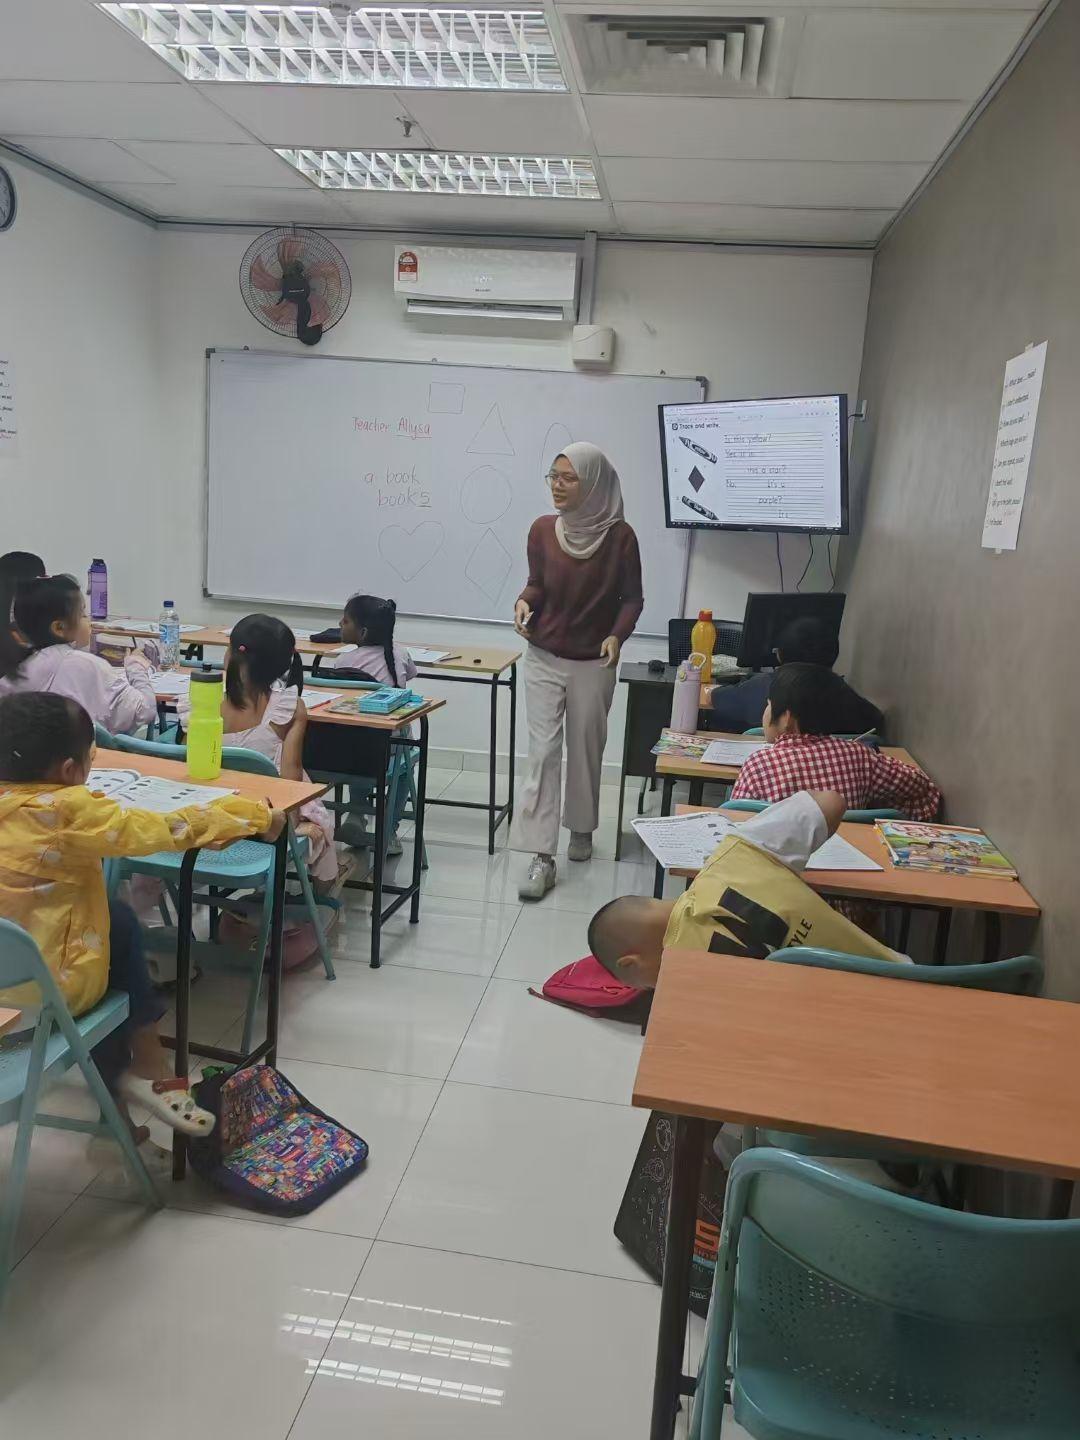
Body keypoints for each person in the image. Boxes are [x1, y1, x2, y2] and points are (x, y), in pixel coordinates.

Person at [0, 692, 285, 1133]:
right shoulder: (66, 812)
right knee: (116, 941)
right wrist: (256, 815)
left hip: (8, 985)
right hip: (40, 998)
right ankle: (144, 1077)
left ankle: (121, 1118)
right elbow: (169, 828)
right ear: (70, 771)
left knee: (113, 922)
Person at [588, 790, 906, 990]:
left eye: (644, 987)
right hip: (908, 983)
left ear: (630, 963)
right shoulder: (736, 855)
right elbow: (831, 802)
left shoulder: (684, 988)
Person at [513, 443, 643, 900]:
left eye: (568, 478)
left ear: (594, 485)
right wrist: (524, 601)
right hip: (543, 656)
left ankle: (582, 827)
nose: (557, 486)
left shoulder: (620, 537)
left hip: (594, 661)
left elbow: (632, 598)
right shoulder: (542, 530)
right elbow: (537, 584)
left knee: (586, 747)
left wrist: (617, 635)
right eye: (553, 476)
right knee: (543, 752)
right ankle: (540, 855)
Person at [179, 613, 340, 888]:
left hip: (211, 814)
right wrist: (290, 826)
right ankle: (320, 892)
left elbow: (185, 766)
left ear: (230, 654)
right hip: (267, 820)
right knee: (322, 822)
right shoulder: (289, 709)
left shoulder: (201, 705)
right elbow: (291, 780)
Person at [732, 664, 941, 820]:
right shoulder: (860, 756)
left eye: (768, 705)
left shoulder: (758, 764)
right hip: (851, 858)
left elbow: (736, 820)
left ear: (787, 719)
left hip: (779, 861)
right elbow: (923, 788)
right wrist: (876, 809)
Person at [0, 575, 158, 735]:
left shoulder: (15, 674)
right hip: (84, 750)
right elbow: (145, 711)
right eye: (83, 614)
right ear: (59, 628)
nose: (89, 621)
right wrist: (136, 667)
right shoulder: (87, 666)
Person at [710, 615, 883, 736]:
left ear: (780, 655)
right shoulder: (848, 698)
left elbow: (716, 697)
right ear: (834, 654)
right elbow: (876, 722)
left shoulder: (762, 687)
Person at [325, 593, 418, 688]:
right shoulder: (401, 652)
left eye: (346, 621)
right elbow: (409, 675)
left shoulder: (344, 660)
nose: (340, 623)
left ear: (363, 632)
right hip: (396, 697)